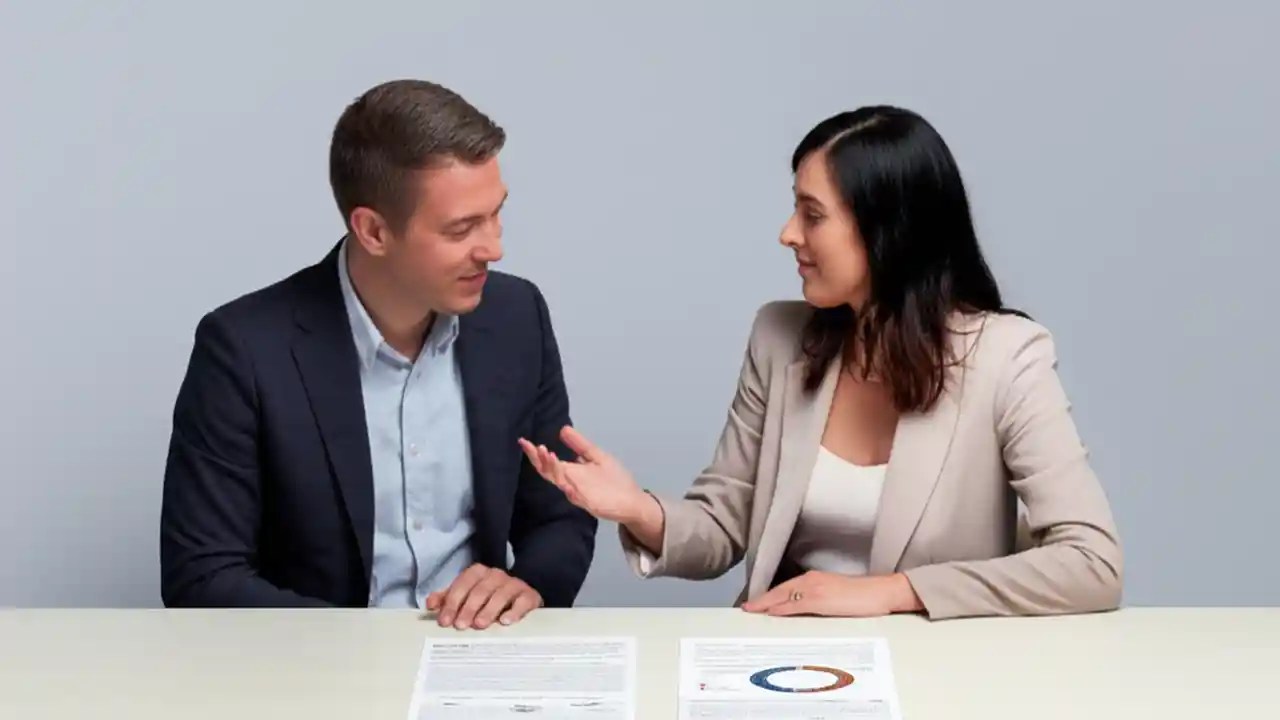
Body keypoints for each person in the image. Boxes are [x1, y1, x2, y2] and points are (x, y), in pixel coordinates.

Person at [521, 106, 1122, 620]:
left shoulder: (1007, 357)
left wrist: (891, 594)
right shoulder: (779, 337)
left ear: (888, 230)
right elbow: (724, 526)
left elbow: (1091, 563)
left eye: (812, 214)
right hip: (778, 664)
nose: (788, 233)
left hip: (937, 674)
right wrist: (637, 509)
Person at [160, 79, 597, 628]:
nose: (494, 247)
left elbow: (559, 514)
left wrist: (524, 585)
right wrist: (362, 656)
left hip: (478, 661)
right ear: (372, 231)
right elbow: (201, 576)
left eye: (496, 213)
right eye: (462, 228)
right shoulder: (244, 349)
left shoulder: (516, 318)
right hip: (313, 674)